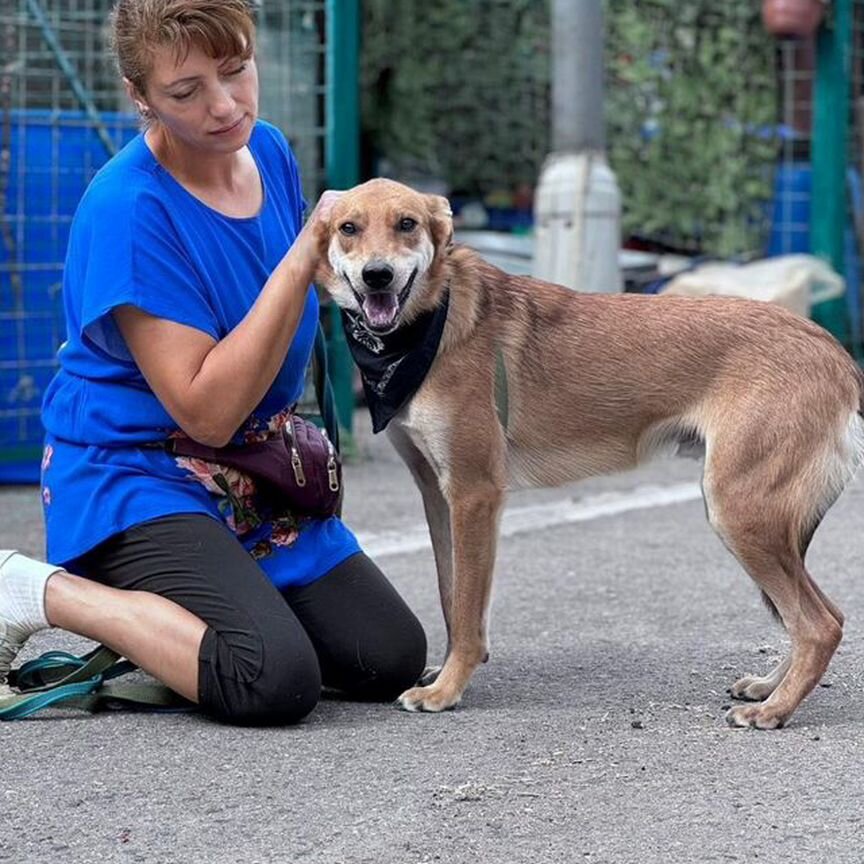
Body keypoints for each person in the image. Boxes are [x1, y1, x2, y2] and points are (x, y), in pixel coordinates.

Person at [0, 0, 426, 725]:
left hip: (246, 466)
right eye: (185, 91)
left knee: (388, 658)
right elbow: (206, 408)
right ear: (140, 97)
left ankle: (189, 618)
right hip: (134, 472)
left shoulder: (267, 149)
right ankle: (36, 591)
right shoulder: (129, 210)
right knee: (272, 679)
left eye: (235, 71)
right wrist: (301, 260)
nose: (224, 106)